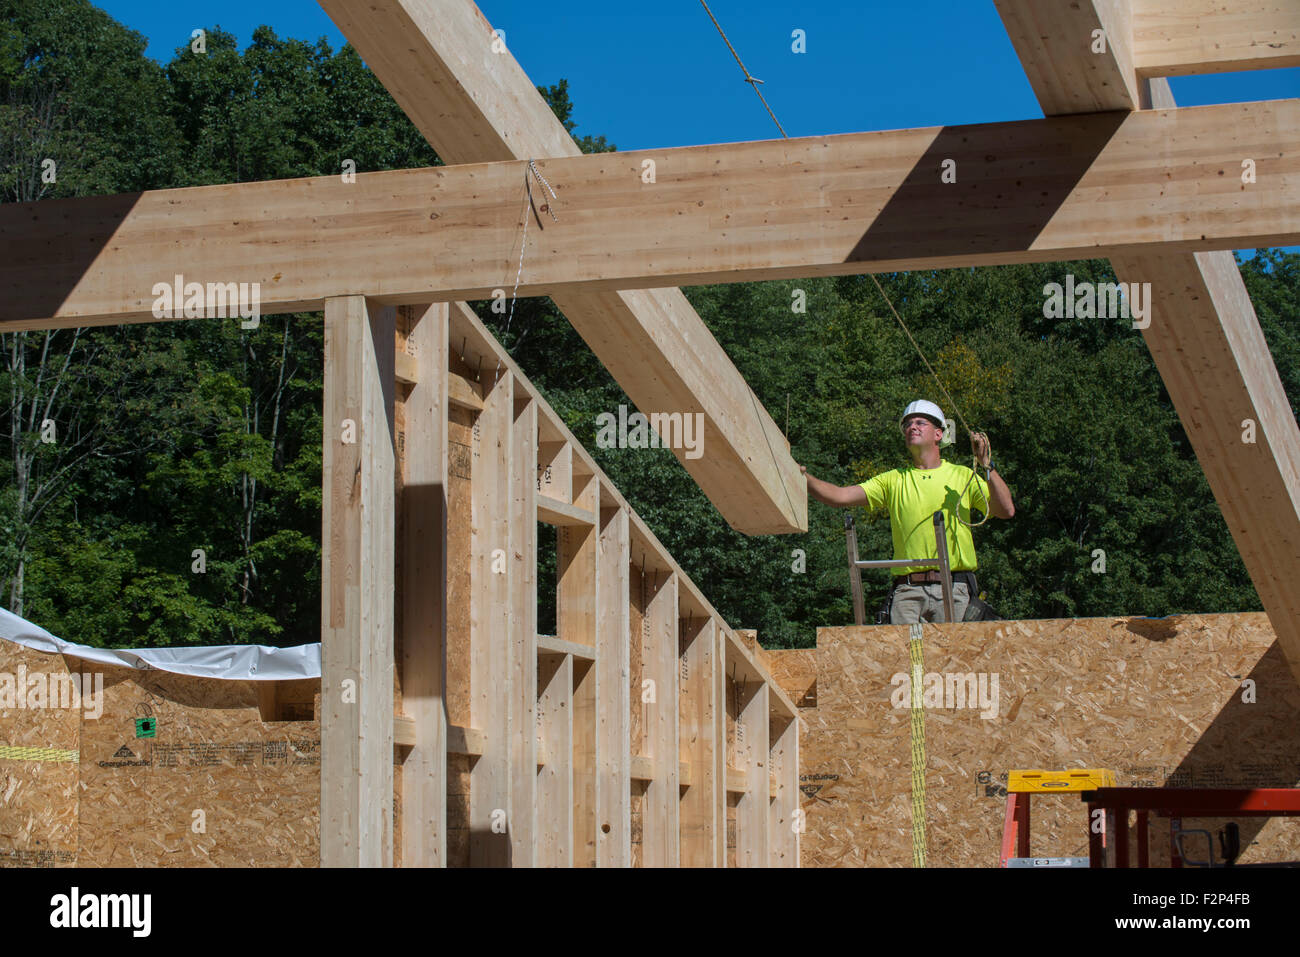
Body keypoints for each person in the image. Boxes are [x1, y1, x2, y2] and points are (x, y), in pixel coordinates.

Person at [800, 400, 1015, 623]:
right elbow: (840, 496)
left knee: (953, 657)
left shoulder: (961, 476)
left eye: (921, 422)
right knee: (906, 658)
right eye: (908, 425)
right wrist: (803, 477)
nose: (912, 427)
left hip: (954, 588)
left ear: (938, 434)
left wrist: (987, 465)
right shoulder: (894, 480)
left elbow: (1005, 510)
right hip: (907, 591)